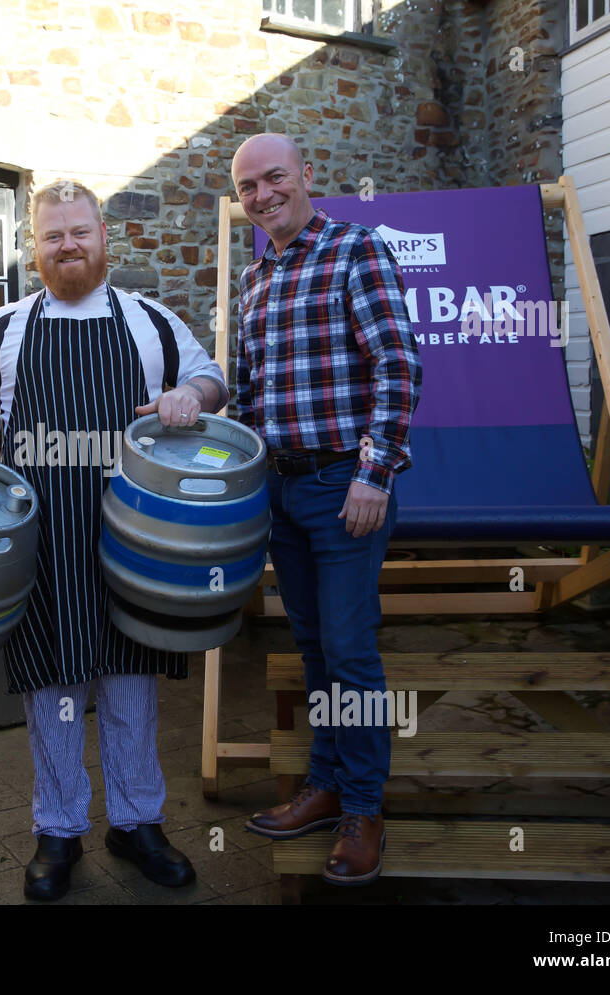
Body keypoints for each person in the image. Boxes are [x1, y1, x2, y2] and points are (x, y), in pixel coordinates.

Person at [0, 180, 229, 901]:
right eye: (52, 235)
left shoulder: (150, 322)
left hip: (134, 540)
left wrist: (193, 396)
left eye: (79, 231)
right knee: (54, 689)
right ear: (33, 246)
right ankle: (58, 830)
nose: (67, 245)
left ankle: (136, 822)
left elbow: (211, 376)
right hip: (46, 541)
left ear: (105, 236)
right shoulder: (3, 328)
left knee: (130, 685)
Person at [230, 134, 421, 886]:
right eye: (248, 186)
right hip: (281, 487)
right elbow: (250, 393)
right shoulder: (255, 275)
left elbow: (399, 364)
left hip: (345, 487)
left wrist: (374, 472)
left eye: (275, 177)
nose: (263, 194)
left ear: (307, 175)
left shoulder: (356, 250)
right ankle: (327, 783)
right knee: (313, 647)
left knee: (349, 653)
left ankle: (364, 810)